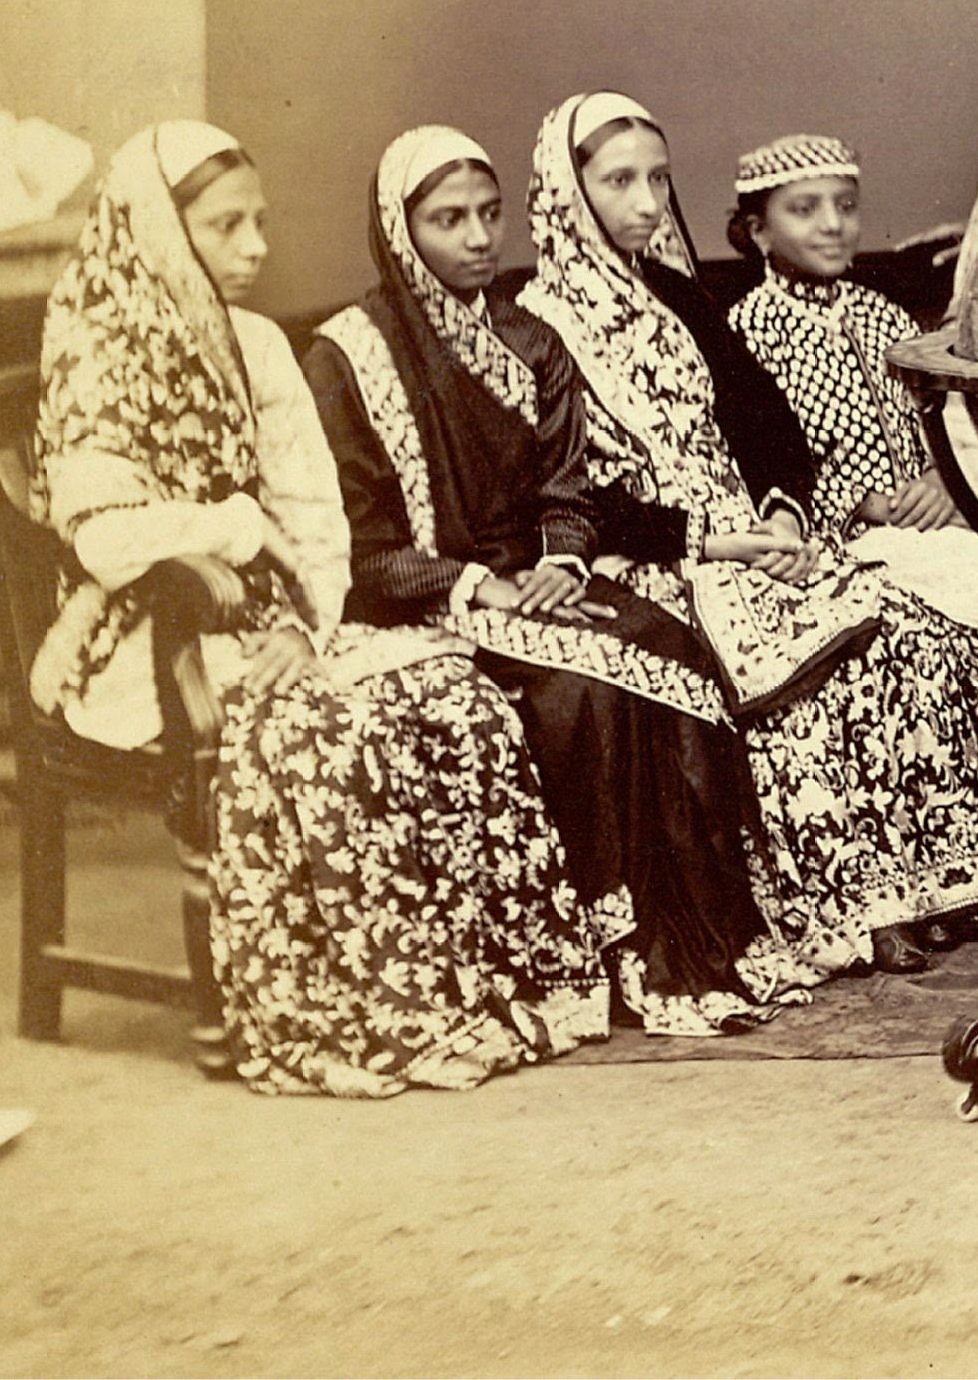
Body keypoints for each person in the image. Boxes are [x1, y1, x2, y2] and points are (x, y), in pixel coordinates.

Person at [33, 121, 609, 1094]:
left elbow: (313, 514)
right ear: (159, 231)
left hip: (278, 615)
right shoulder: (98, 348)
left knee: (455, 699)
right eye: (226, 226)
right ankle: (362, 1004)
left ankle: (472, 988)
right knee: (331, 728)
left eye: (258, 221)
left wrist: (301, 616)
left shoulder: (257, 342)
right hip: (148, 632)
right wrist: (231, 526)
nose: (255, 246)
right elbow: (105, 536)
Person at [310, 125, 804, 1039]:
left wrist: (556, 562)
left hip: (537, 578)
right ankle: (617, 948)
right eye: (447, 219)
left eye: (489, 215)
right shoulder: (349, 357)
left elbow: (567, 488)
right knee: (584, 694)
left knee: (674, 648)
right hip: (425, 599)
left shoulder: (530, 341)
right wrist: (479, 588)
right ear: (398, 226)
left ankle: (704, 942)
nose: (476, 237)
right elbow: (359, 545)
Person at [520, 93, 978, 975]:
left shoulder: (675, 296)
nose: (647, 203)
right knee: (803, 663)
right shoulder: (538, 322)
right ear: (567, 189)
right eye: (618, 181)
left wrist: (778, 509)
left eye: (658, 179)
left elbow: (768, 429)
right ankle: (847, 911)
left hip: (746, 537)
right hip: (655, 557)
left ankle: (926, 887)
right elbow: (573, 492)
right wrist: (721, 543)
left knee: (887, 620)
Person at [724, 132, 978, 915]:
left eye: (845, 207)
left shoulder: (882, 314)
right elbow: (762, 468)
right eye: (805, 211)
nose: (832, 225)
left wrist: (946, 483)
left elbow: (944, 428)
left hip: (934, 520)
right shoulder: (747, 334)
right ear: (759, 230)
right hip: (844, 539)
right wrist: (851, 504)